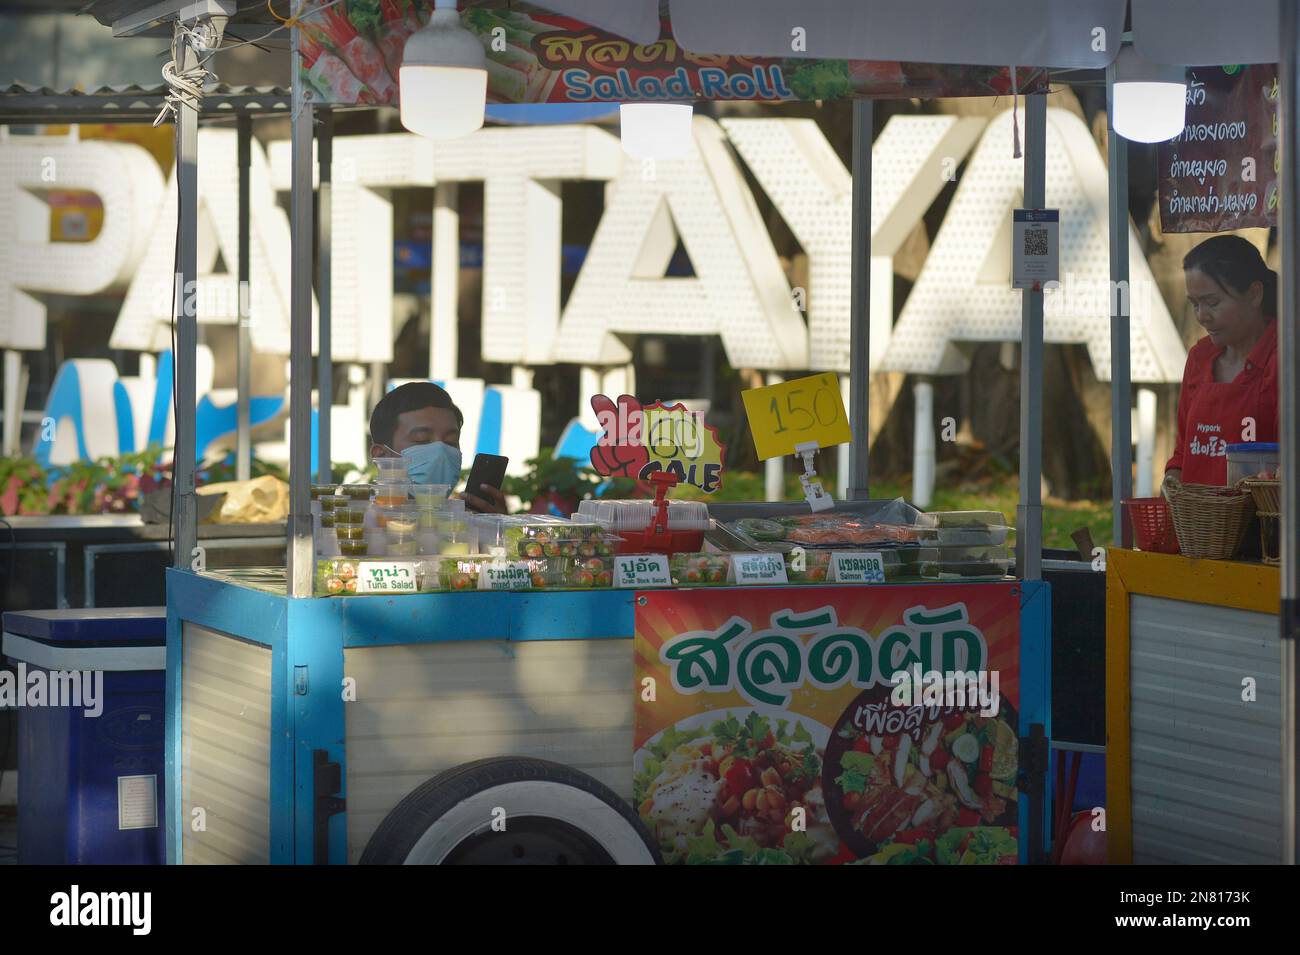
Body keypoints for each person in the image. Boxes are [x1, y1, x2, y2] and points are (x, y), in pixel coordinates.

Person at [1163, 235, 1279, 490]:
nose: (1202, 316)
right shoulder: (1198, 358)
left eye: (1212, 302)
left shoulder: (1284, 360)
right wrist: (1172, 477)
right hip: (1200, 526)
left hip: (1263, 527)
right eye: (1194, 304)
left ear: (1254, 294)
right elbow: (1182, 452)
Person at [368, 381, 508, 514]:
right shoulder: (358, 524)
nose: (441, 452)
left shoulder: (467, 527)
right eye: (422, 439)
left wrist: (499, 529)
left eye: (450, 441)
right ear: (381, 456)